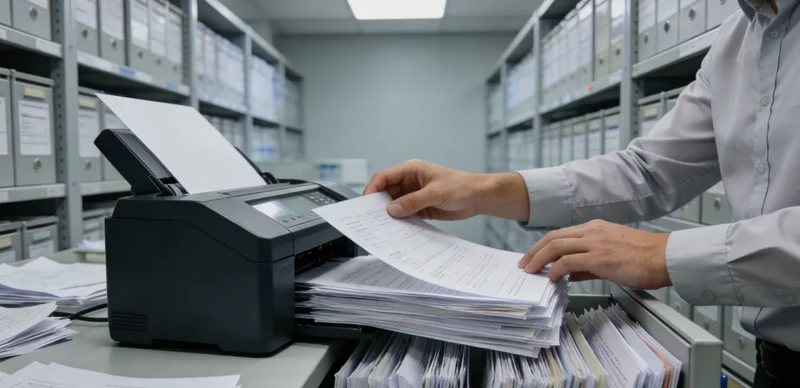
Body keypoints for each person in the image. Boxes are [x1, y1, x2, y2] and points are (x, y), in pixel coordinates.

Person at [363, 0, 797, 386]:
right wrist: (478, 190)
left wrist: (661, 254)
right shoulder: (737, 38)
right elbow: (648, 172)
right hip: (774, 364)